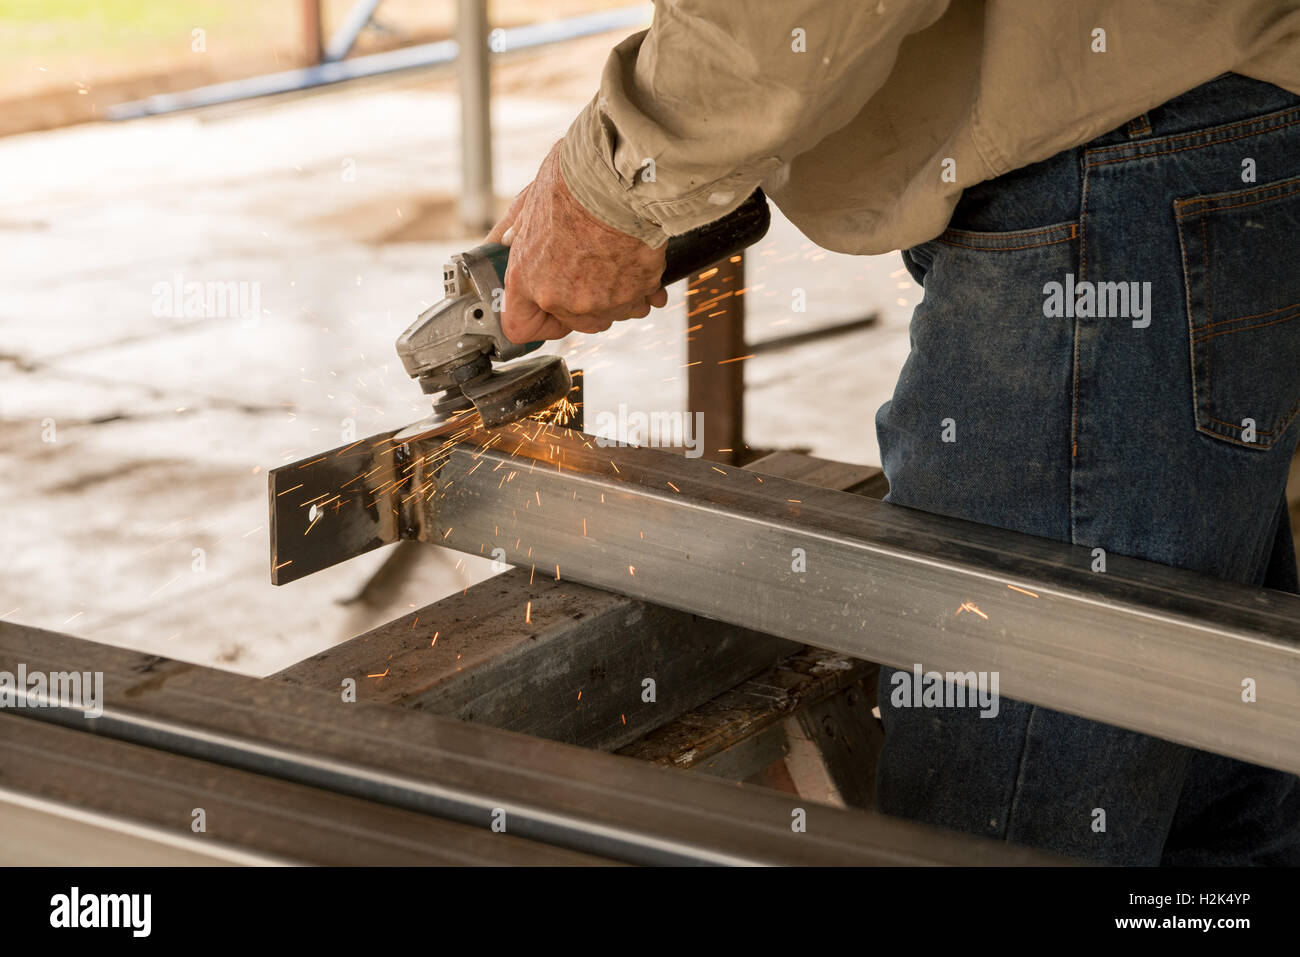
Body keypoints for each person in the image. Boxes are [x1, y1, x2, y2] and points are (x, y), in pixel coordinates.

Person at [486, 1, 1300, 865]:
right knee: (1210, 793)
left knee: (992, 810)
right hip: (1196, 130)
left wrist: (610, 180)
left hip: (1104, 173)